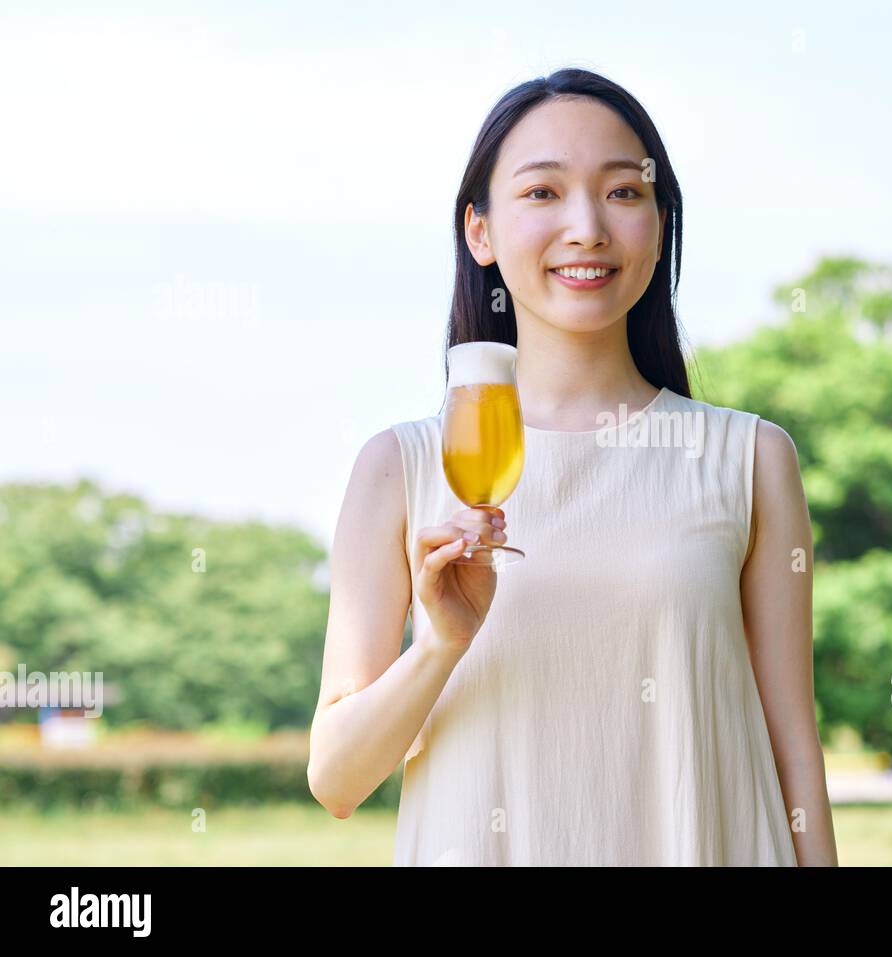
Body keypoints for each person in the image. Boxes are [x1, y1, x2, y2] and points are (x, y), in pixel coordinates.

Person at [307, 67, 838, 866]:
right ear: (479, 231)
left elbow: (793, 750)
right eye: (543, 193)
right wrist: (439, 644)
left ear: (661, 223)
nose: (587, 226)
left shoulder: (750, 458)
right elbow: (338, 780)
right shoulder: (400, 468)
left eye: (624, 193)